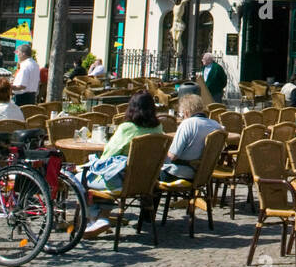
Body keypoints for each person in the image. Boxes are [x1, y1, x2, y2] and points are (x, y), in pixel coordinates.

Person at [84, 93, 164, 237]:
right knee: (107, 177)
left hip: (123, 181)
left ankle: (95, 217)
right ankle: (101, 217)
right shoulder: (158, 129)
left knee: (79, 179)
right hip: (145, 182)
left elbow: (107, 156)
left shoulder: (127, 128)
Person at [160, 94, 223, 181]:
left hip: (181, 173)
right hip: (204, 173)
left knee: (151, 172)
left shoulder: (187, 124)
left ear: (186, 112)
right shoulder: (216, 125)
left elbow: (173, 156)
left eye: (181, 114)